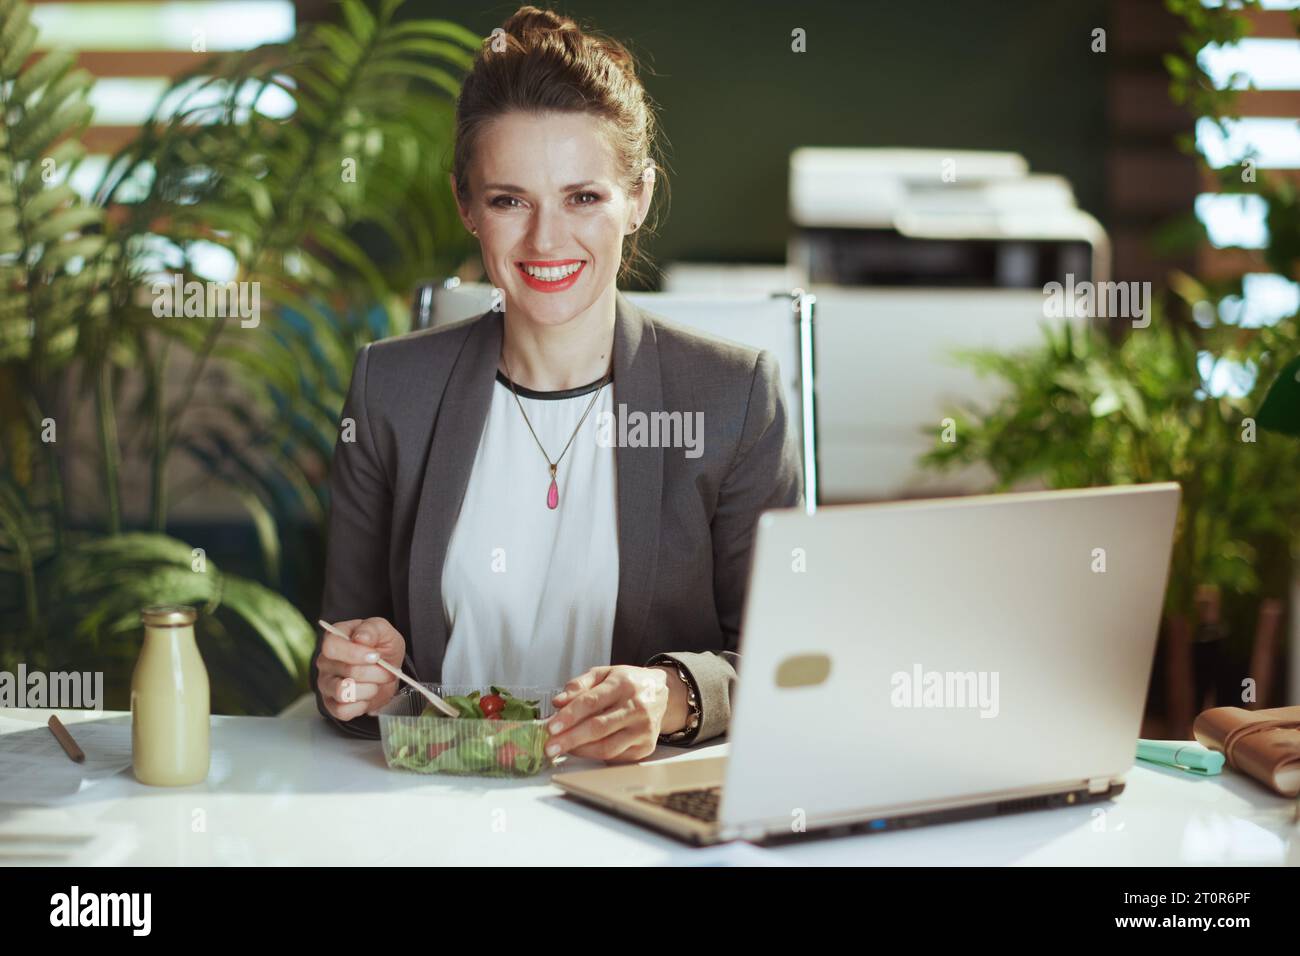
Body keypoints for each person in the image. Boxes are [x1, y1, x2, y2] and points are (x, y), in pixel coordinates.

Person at [312, 5, 802, 762]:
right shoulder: (392, 390)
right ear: (467, 206)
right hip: (431, 803)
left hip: (641, 816)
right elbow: (349, 671)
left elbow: (791, 664)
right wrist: (356, 680)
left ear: (636, 199)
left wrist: (671, 695)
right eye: (510, 200)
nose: (546, 240)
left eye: (584, 197)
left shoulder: (733, 398)